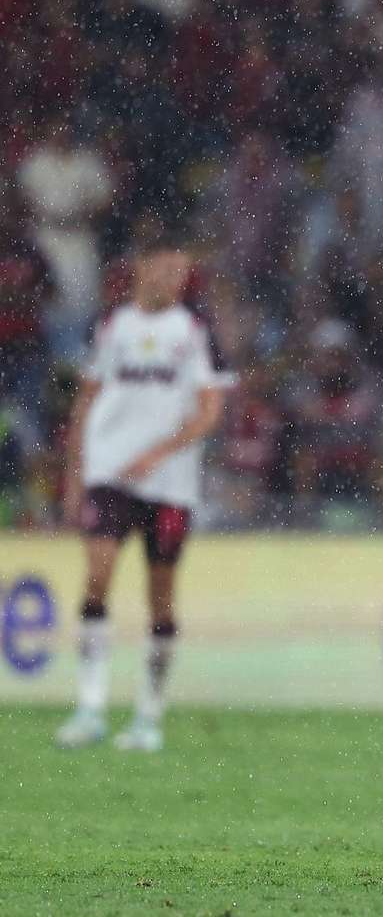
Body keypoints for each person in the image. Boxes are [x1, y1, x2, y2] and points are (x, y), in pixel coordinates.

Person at [55, 235, 232, 752]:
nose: (175, 279)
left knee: (160, 596)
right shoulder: (111, 326)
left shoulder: (195, 331)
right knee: (98, 575)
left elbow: (210, 410)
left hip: (169, 483)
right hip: (110, 471)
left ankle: (148, 715)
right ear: (142, 267)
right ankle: (90, 707)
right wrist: (74, 475)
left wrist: (160, 452)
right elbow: (86, 400)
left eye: (182, 271)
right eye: (168, 268)